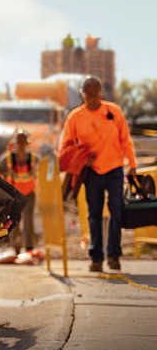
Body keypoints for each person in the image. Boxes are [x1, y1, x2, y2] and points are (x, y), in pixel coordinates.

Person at [58, 76, 136, 272]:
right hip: (91, 172)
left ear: (101, 93)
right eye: (88, 95)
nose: (93, 99)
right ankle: (96, 257)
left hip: (115, 169)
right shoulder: (75, 117)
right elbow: (65, 148)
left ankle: (114, 255)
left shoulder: (113, 111)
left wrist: (132, 165)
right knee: (94, 213)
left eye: (96, 95)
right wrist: (82, 157)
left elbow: (125, 139)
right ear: (82, 94)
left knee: (117, 209)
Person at [0, 128, 38, 254]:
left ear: (27, 144)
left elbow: (39, 171)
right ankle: (16, 248)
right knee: (14, 221)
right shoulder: (8, 159)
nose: (21, 146)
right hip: (14, 195)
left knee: (28, 220)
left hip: (29, 193)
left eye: (23, 143)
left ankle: (29, 247)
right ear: (14, 144)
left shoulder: (32, 158)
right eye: (19, 143)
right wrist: (7, 172)